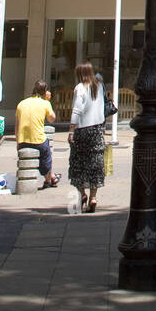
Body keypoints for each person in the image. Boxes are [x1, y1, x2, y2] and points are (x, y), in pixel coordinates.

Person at [68, 61, 106, 212]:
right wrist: (102, 127)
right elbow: (102, 108)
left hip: (82, 129)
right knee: (95, 163)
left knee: (78, 162)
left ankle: (82, 193)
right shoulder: (98, 87)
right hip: (96, 129)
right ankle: (93, 197)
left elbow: (77, 110)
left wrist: (71, 130)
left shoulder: (80, 88)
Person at [16, 80, 60, 188]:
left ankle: (51, 177)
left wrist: (17, 141)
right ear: (45, 92)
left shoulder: (22, 103)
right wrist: (48, 101)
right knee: (46, 155)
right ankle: (50, 178)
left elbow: (17, 126)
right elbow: (52, 119)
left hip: (23, 141)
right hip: (38, 140)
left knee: (44, 153)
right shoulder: (45, 103)